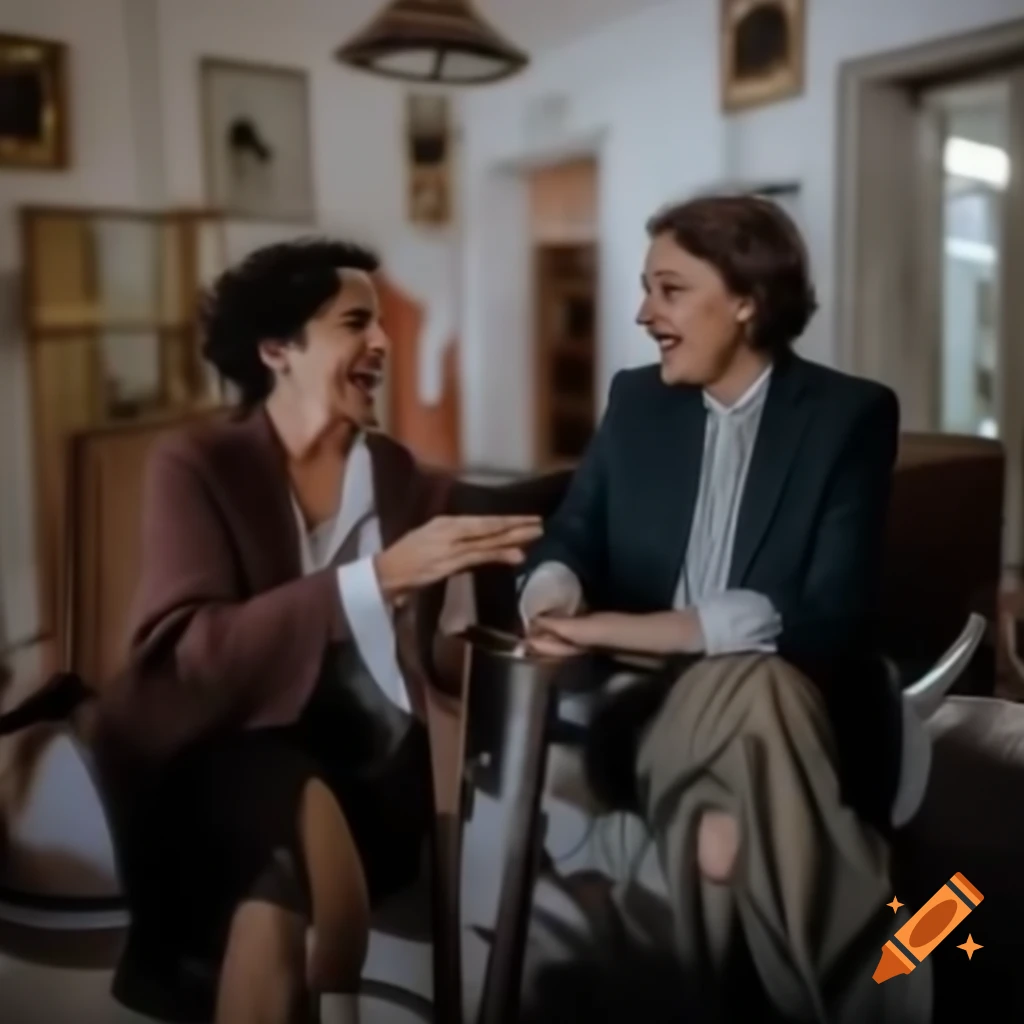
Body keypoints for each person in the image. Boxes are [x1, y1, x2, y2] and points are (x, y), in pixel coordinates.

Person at [91, 239, 541, 1024]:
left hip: (373, 782)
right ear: (278, 350)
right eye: (355, 323)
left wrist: (657, 432)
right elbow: (193, 657)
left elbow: (531, 508)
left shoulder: (400, 477)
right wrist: (376, 579)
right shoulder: (199, 464)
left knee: (278, 851)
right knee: (271, 843)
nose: (384, 342)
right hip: (222, 762)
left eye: (380, 323)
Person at [519, 195, 924, 1022]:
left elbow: (830, 614)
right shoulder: (636, 402)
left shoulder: (849, 415)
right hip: (646, 707)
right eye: (647, 289)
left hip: (794, 703)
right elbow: (572, 534)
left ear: (746, 301)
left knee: (718, 842)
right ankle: (894, 969)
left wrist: (643, 628)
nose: (644, 314)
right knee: (750, 702)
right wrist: (553, 591)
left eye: (669, 290)